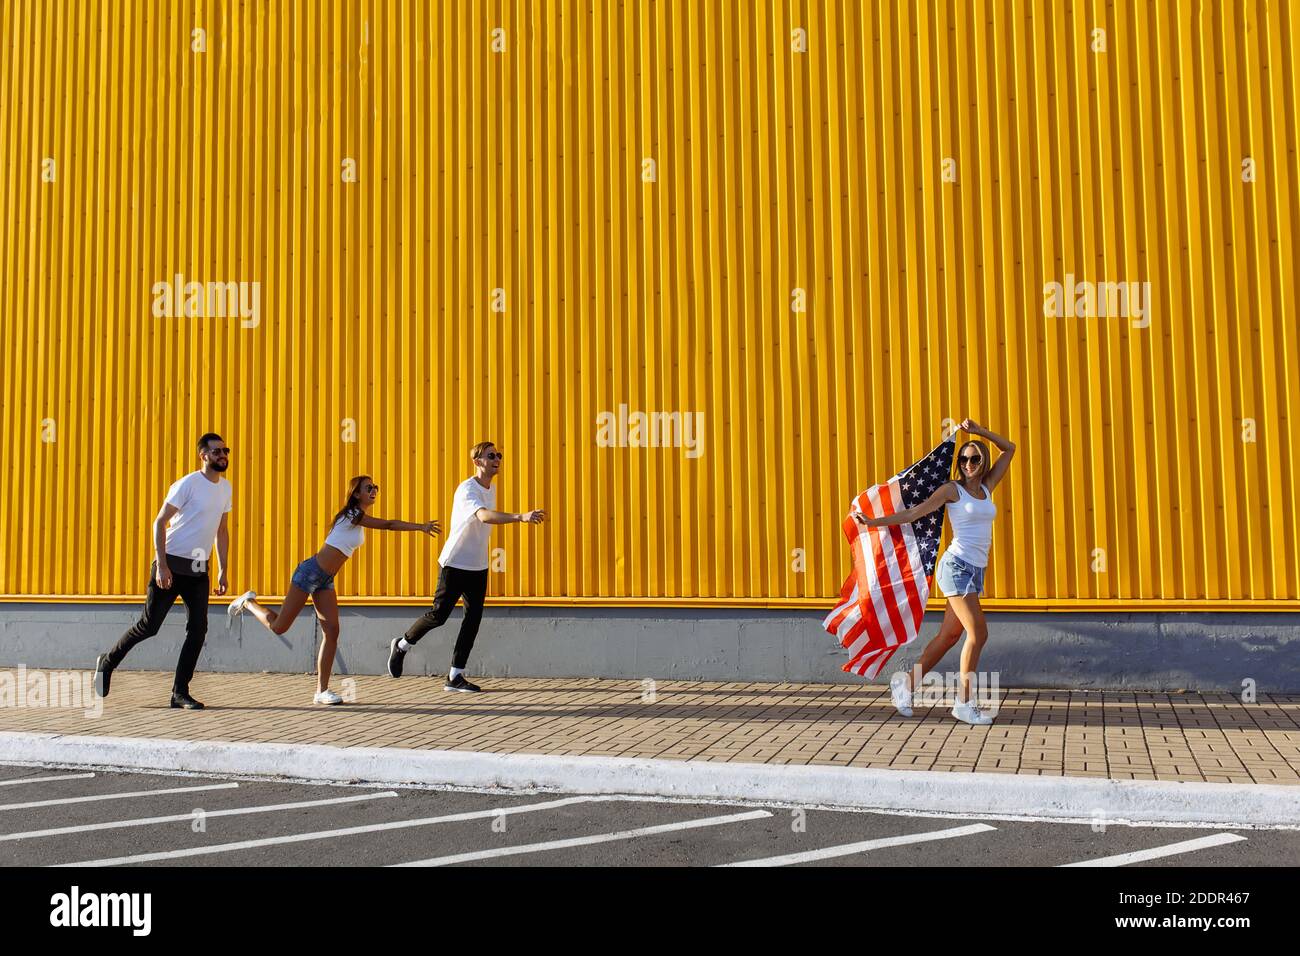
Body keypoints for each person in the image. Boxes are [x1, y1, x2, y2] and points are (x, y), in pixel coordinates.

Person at [855, 418, 1016, 725]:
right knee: (978, 633)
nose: (969, 463)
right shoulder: (952, 490)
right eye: (964, 459)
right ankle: (964, 703)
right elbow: (916, 512)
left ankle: (907, 685)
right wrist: (875, 522)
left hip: (975, 570)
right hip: (956, 568)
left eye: (975, 458)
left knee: (949, 636)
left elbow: (1010, 448)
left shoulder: (986, 486)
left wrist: (979, 432)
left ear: (982, 462)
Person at [227, 476, 438, 704]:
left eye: (375, 487)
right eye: (369, 488)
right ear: (356, 494)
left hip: (325, 579)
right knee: (279, 627)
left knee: (332, 632)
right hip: (309, 573)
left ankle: (321, 691)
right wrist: (420, 527)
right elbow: (387, 524)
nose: (374, 490)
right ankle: (248, 602)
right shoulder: (351, 515)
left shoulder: (356, 518)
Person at [387, 441, 544, 692]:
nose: (497, 459)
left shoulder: (490, 488)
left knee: (473, 619)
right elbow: (482, 516)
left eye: (499, 455)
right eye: (491, 455)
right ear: (477, 461)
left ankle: (455, 676)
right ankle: (402, 645)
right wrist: (520, 517)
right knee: (439, 615)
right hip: (455, 562)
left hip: (478, 565)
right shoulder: (467, 489)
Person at [94, 433, 234, 709]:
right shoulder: (187, 484)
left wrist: (222, 569)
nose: (223, 455)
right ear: (203, 455)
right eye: (217, 451)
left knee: (198, 630)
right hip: (171, 562)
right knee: (149, 626)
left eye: (225, 451)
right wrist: (162, 565)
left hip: (198, 568)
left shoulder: (226, 488)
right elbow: (159, 523)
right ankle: (107, 663)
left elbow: (221, 530)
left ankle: (179, 692)